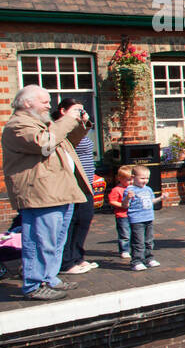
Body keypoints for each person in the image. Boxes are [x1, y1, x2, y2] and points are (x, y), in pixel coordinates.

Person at [2, 85, 93, 300]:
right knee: (39, 239)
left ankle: (49, 278)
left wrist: (80, 123)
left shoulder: (44, 123)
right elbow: (45, 145)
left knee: (56, 240)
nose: (49, 105)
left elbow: (69, 143)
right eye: (44, 101)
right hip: (41, 192)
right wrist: (68, 119)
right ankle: (34, 285)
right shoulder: (18, 125)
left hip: (59, 190)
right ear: (27, 103)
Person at [56, 98, 98, 275]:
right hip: (73, 182)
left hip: (87, 182)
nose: (80, 113)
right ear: (63, 111)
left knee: (84, 219)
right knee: (71, 221)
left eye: (82, 110)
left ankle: (78, 256)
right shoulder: (59, 128)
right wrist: (70, 122)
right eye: (76, 110)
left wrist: (83, 121)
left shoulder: (78, 128)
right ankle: (66, 261)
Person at [121, 166, 162, 270]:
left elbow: (151, 202)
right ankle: (136, 261)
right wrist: (127, 198)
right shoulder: (129, 190)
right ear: (133, 177)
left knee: (149, 241)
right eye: (142, 178)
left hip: (148, 218)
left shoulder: (148, 189)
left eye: (147, 178)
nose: (145, 181)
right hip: (136, 219)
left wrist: (161, 198)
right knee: (138, 242)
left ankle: (148, 258)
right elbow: (125, 205)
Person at [107, 165, 133, 260]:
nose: (131, 182)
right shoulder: (116, 190)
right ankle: (124, 250)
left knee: (134, 232)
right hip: (122, 215)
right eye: (128, 180)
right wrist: (122, 205)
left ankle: (133, 248)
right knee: (124, 234)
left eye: (132, 179)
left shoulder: (134, 188)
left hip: (133, 215)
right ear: (120, 179)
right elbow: (112, 201)